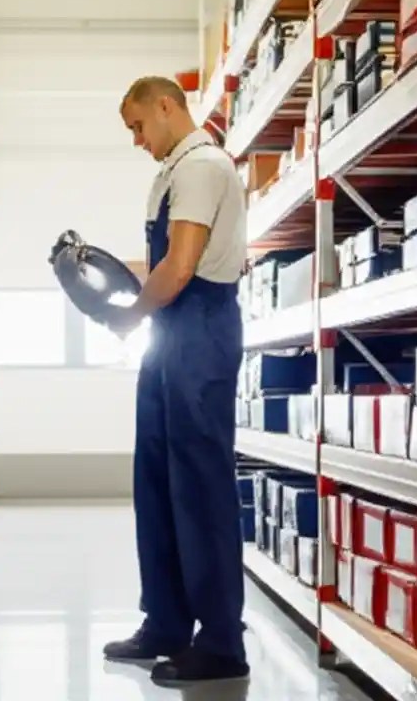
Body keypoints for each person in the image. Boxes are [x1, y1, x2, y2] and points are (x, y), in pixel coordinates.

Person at [101, 76, 249, 685]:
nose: (137, 140)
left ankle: (219, 643)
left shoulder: (202, 166)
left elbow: (182, 267)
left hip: (201, 329)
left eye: (138, 125)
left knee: (200, 485)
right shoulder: (170, 172)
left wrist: (128, 314)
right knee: (157, 479)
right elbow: (163, 266)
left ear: (167, 106)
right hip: (171, 332)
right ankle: (165, 622)